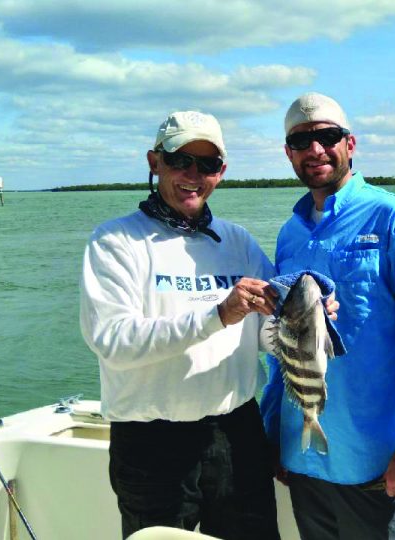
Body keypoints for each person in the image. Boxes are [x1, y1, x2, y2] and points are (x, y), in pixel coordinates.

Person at [261, 92, 395, 539]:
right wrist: (273, 429)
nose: (315, 150)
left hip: (377, 465)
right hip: (302, 460)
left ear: (349, 144)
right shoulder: (290, 233)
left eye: (327, 137)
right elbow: (285, 347)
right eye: (300, 142)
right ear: (288, 153)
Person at [79, 111, 281, 539]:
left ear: (221, 172)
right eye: (180, 160)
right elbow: (113, 340)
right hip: (152, 445)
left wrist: (305, 316)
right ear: (155, 162)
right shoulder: (115, 242)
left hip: (237, 433)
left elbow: (266, 332)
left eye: (207, 164)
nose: (194, 174)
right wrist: (217, 315)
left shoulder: (238, 241)